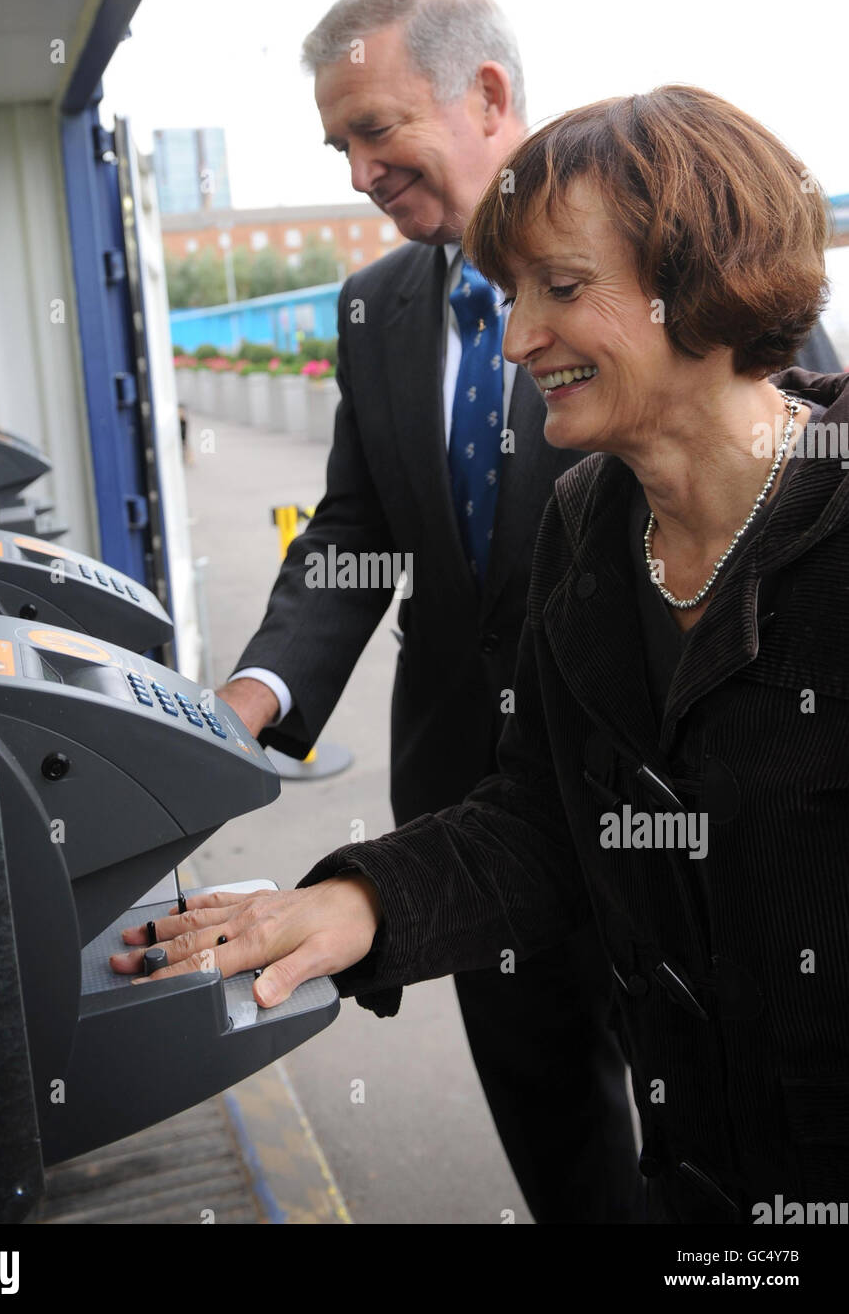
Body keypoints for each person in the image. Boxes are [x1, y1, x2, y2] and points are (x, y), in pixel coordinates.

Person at [115, 84, 849, 1223]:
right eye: (513, 293)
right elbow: (552, 819)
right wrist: (357, 902)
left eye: (560, 289)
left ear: (704, 277)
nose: (515, 338)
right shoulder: (590, 526)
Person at [215, 0, 638, 1223]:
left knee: (723, 1142)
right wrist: (251, 695)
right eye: (337, 144)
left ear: (488, 94)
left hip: (659, 811)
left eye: (374, 129)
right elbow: (354, 524)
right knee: (557, 1134)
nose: (355, 171)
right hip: (464, 808)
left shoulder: (665, 253)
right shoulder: (374, 307)